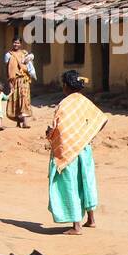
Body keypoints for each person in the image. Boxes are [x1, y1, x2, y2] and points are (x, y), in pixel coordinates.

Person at [46, 70, 107, 235]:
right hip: (84, 149)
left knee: (71, 185)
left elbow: (55, 127)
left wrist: (48, 135)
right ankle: (91, 219)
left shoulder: (64, 104)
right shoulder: (85, 102)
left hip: (68, 152)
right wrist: (87, 135)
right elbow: (101, 120)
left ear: (65, 86)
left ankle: (76, 226)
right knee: (86, 182)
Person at [4, 38, 36, 129]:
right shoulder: (8, 55)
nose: (16, 44)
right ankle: (18, 122)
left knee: (24, 99)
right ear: (12, 43)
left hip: (24, 80)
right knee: (16, 100)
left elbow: (29, 66)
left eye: (18, 43)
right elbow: (7, 69)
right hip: (15, 80)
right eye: (14, 42)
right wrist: (10, 82)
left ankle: (25, 122)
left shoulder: (25, 54)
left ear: (20, 44)